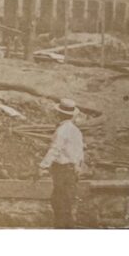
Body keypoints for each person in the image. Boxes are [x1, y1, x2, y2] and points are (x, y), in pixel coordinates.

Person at [39, 97, 86, 227]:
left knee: (59, 201)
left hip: (62, 169)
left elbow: (55, 149)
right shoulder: (76, 131)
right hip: (72, 170)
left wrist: (43, 165)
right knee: (68, 202)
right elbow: (80, 152)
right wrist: (78, 166)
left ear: (60, 114)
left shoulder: (61, 131)